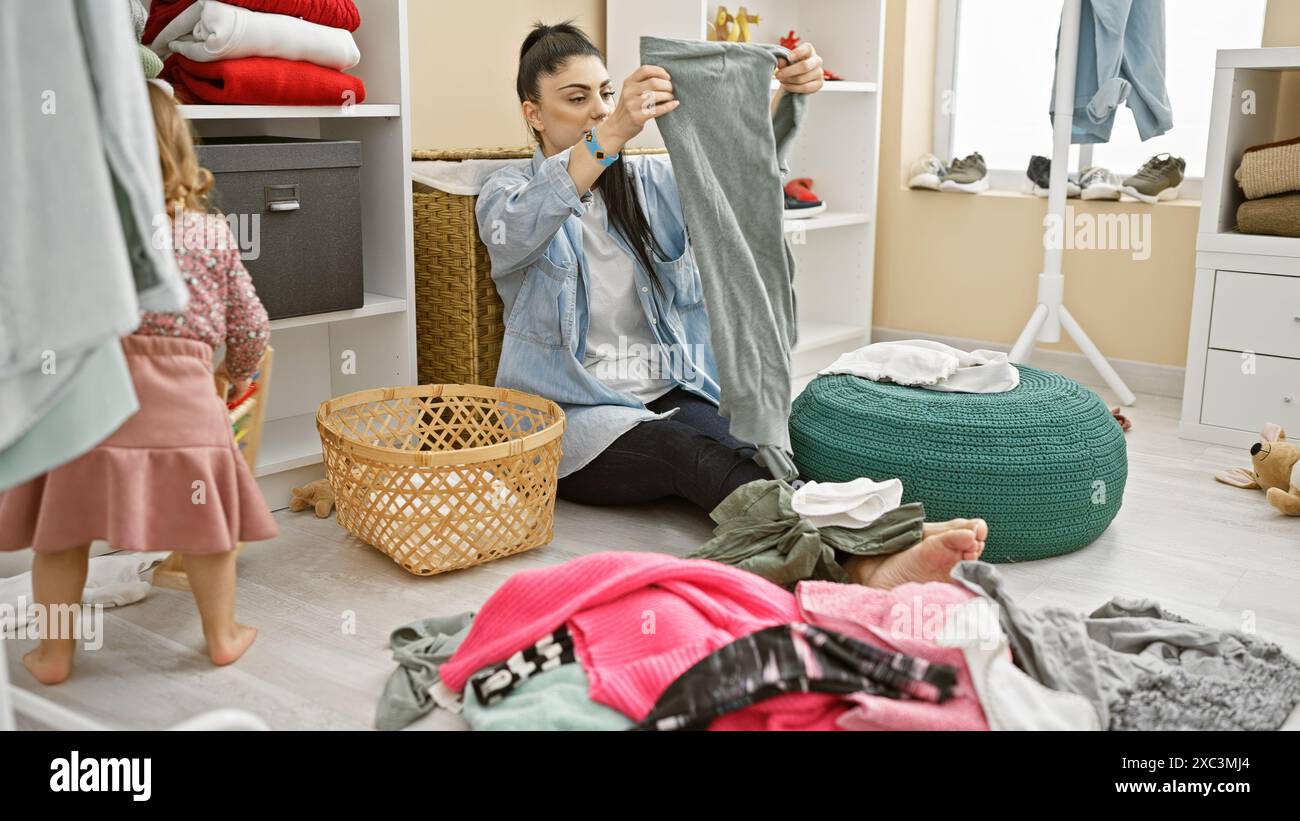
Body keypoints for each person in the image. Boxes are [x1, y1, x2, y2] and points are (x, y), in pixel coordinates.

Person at [478, 21, 986, 587]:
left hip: (664, 390)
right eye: (576, 99)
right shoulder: (505, 197)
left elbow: (741, 177)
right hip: (569, 422)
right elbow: (528, 221)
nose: (598, 109)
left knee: (758, 448)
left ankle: (884, 537)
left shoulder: (649, 183)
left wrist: (787, 97)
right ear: (534, 114)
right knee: (684, 450)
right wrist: (617, 128)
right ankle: (862, 563)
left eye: (603, 93)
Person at [0, 83, 278, 683]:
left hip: (88, 407)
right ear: (179, 150)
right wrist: (240, 370)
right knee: (209, 532)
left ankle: (53, 655)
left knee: (62, 536)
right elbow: (251, 324)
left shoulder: (80, 240)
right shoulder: (209, 235)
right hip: (184, 406)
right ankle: (223, 636)